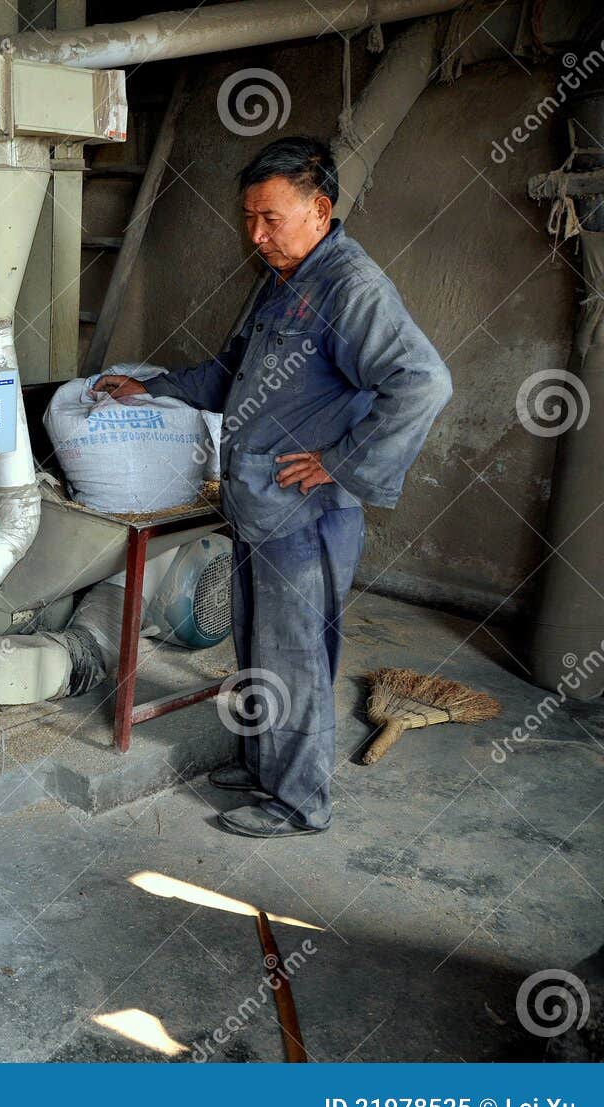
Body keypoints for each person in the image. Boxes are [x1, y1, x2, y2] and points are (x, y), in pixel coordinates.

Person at [96, 135, 451, 838]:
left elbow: (423, 382)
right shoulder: (285, 279)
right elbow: (233, 373)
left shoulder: (352, 287)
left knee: (294, 658)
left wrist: (340, 462)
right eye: (249, 219)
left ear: (320, 210)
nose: (256, 235)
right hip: (261, 503)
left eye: (271, 219)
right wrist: (155, 388)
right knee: (261, 647)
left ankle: (298, 801)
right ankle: (263, 766)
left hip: (307, 514)